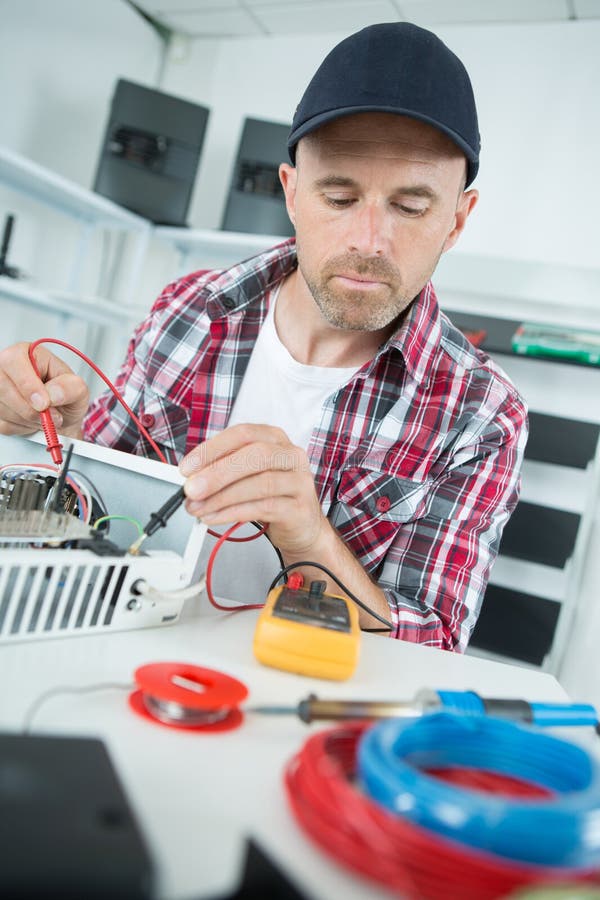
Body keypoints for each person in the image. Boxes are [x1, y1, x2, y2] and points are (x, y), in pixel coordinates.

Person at [0, 22, 527, 650]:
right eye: (337, 196)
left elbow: (434, 648)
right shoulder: (187, 308)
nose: (368, 240)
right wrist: (65, 424)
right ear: (292, 192)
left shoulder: (483, 417)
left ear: (456, 220)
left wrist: (308, 536)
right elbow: (105, 503)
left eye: (410, 208)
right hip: (120, 656)